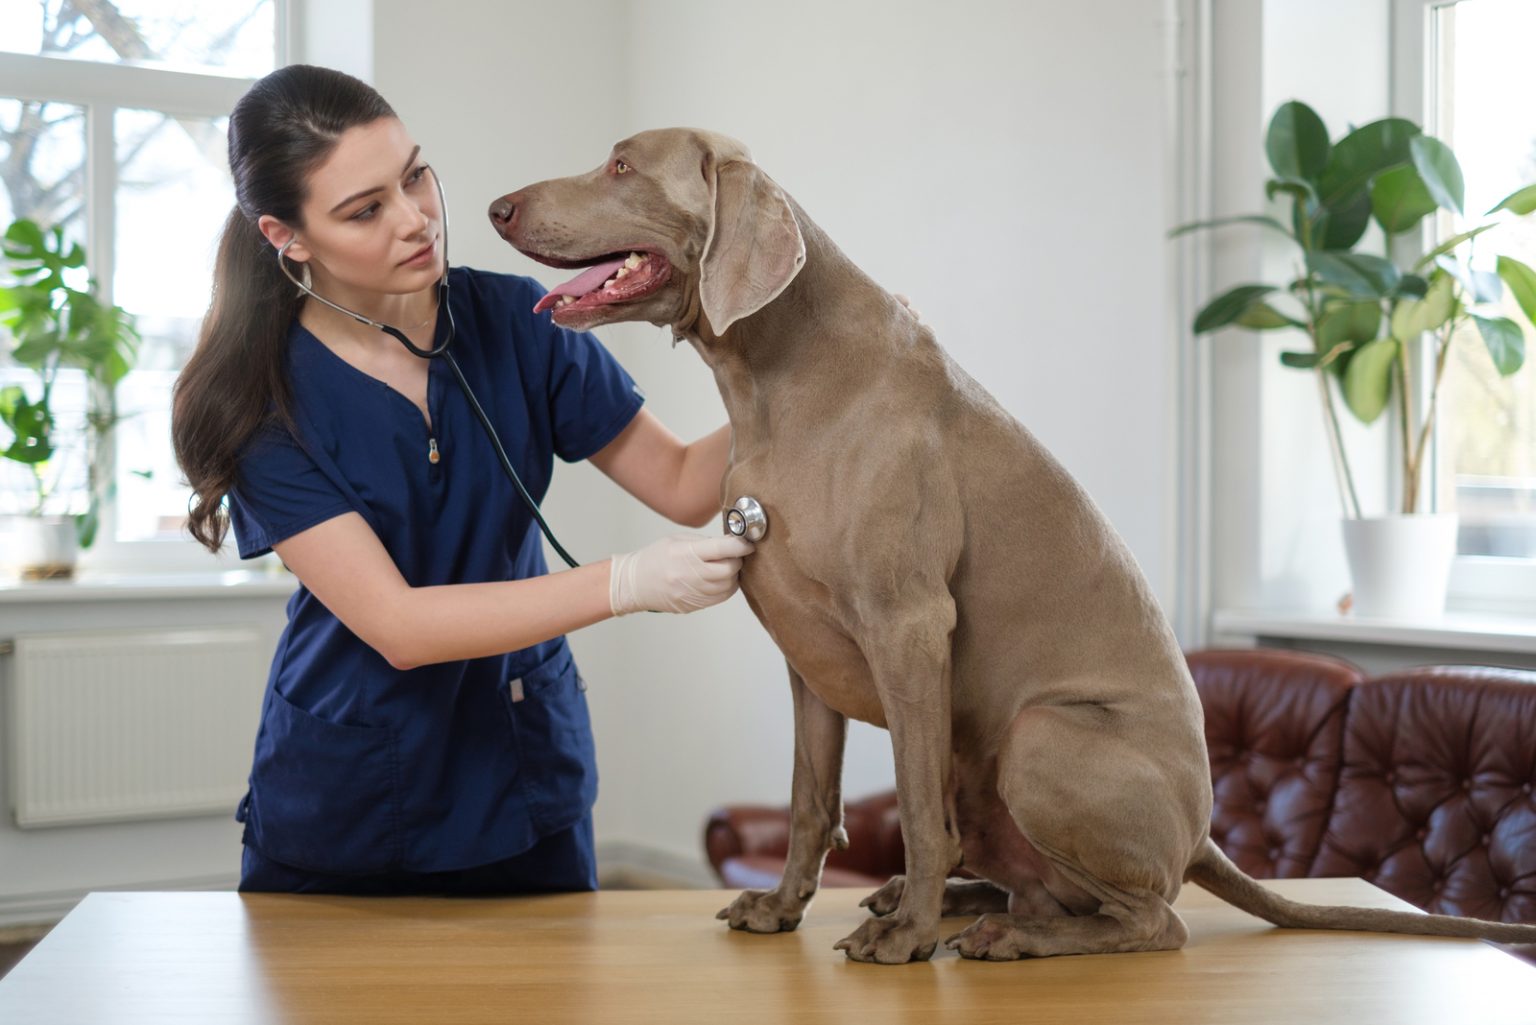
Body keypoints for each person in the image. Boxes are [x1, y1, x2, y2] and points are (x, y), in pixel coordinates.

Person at [170, 64, 753, 896]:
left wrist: (827, 376)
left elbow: (689, 481)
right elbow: (399, 626)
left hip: (525, 778)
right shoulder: (260, 399)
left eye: (415, 176)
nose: (415, 220)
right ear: (286, 235)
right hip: (351, 806)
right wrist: (627, 583)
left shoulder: (520, 323)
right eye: (366, 210)